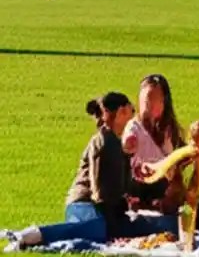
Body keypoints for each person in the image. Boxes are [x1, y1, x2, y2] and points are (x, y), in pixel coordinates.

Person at [3, 93, 177, 248]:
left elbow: (122, 184)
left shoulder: (117, 142)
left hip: (109, 210)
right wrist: (127, 202)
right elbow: (100, 192)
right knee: (97, 228)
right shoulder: (102, 143)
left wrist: (152, 190)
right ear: (122, 112)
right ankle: (32, 235)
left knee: (164, 225)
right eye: (131, 111)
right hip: (84, 204)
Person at [122, 75, 185, 212]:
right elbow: (128, 141)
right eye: (146, 102)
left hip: (162, 184)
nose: (148, 107)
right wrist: (129, 144)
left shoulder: (169, 130)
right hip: (137, 184)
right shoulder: (134, 126)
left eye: (154, 101)